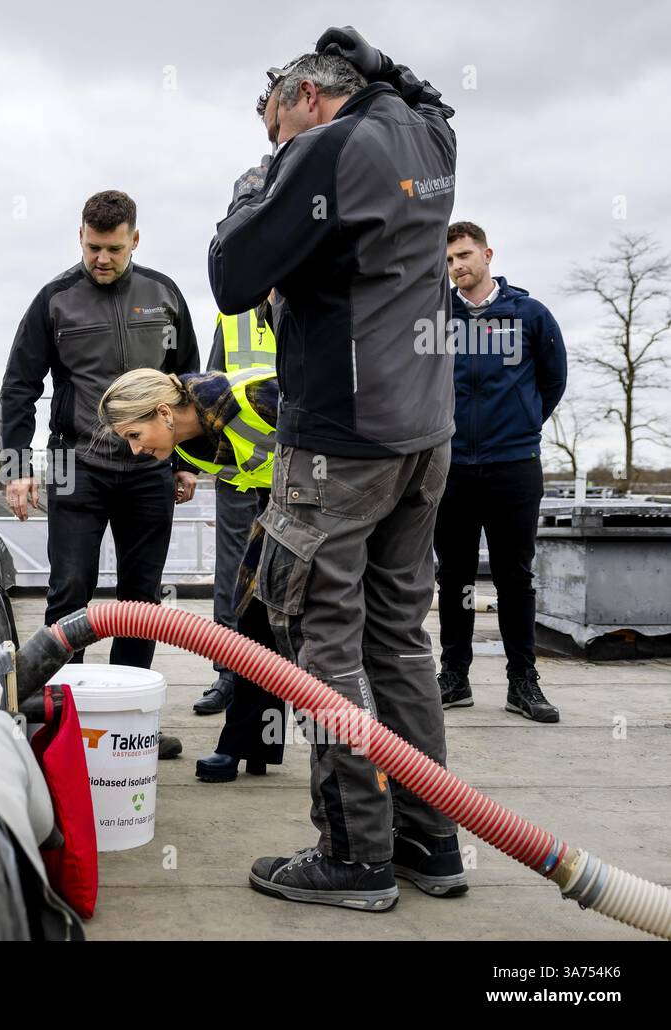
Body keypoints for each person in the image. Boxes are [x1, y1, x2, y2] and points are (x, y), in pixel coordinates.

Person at [208, 27, 466, 911]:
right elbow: (434, 100)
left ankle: (356, 854)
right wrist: (384, 62)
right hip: (424, 437)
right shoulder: (424, 135)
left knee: (325, 648)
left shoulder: (323, 147)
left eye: (273, 126)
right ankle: (431, 838)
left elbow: (232, 276)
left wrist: (251, 197)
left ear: (309, 99)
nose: (272, 149)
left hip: (341, 446)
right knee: (398, 641)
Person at [0, 189, 200, 760]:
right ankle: (62, 720)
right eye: (92, 247)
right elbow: (20, 385)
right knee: (70, 593)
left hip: (149, 466)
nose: (101, 259)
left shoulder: (164, 295)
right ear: (80, 238)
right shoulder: (55, 300)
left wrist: (185, 462)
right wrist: (17, 468)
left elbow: (187, 384)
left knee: (139, 601)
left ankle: (126, 722)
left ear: (135, 240)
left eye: (113, 248)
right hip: (74, 463)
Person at [98, 366, 290, 781]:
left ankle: (374, 762)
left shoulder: (255, 397)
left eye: (135, 435)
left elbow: (343, 442)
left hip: (349, 506)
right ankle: (249, 745)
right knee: (254, 624)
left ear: (164, 413)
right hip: (282, 510)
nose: (135, 451)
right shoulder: (191, 444)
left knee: (332, 640)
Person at [436, 222, 567, 721]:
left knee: (516, 578)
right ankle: (454, 677)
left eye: (465, 256)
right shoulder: (435, 317)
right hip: (450, 467)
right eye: (448, 261)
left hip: (514, 466)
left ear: (487, 254)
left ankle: (522, 683)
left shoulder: (530, 315)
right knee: (454, 577)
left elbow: (552, 380)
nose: (457, 267)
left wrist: (522, 424)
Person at [193, 299, 277, 718]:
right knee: (232, 565)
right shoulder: (232, 316)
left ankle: (283, 675)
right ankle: (229, 671)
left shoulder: (307, 297)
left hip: (292, 462)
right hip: (241, 462)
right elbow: (210, 387)